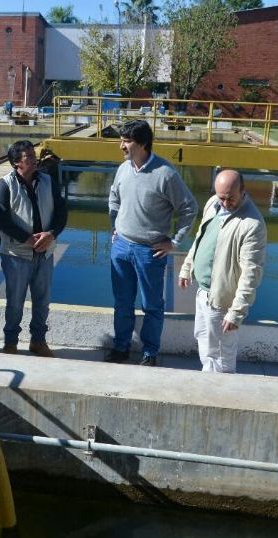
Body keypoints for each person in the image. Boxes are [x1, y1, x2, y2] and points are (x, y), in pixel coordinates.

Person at [106, 120, 198, 366]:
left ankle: (150, 352)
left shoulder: (165, 174)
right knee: (122, 303)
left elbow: (189, 208)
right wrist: (114, 224)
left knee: (152, 305)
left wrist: (174, 241)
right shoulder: (123, 169)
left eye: (127, 141)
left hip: (150, 251)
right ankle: (121, 347)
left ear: (143, 143)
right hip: (121, 247)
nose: (121, 146)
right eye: (122, 140)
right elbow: (114, 197)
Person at [178, 169, 267, 373]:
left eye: (230, 198)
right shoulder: (213, 204)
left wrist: (236, 313)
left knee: (220, 356)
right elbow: (200, 238)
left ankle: (220, 389)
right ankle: (209, 384)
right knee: (204, 342)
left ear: (243, 190)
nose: (225, 203)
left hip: (222, 302)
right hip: (203, 292)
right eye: (221, 197)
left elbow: (251, 274)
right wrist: (187, 267)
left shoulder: (252, 225)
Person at [0, 140, 68, 357]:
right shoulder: (5, 185)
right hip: (16, 255)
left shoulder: (47, 180)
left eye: (34, 155)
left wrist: (51, 233)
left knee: (42, 301)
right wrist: (25, 238)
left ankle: (38, 341)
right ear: (17, 162)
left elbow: (61, 211)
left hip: (45, 253)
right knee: (15, 302)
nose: (35, 160)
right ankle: (10, 343)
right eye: (29, 157)